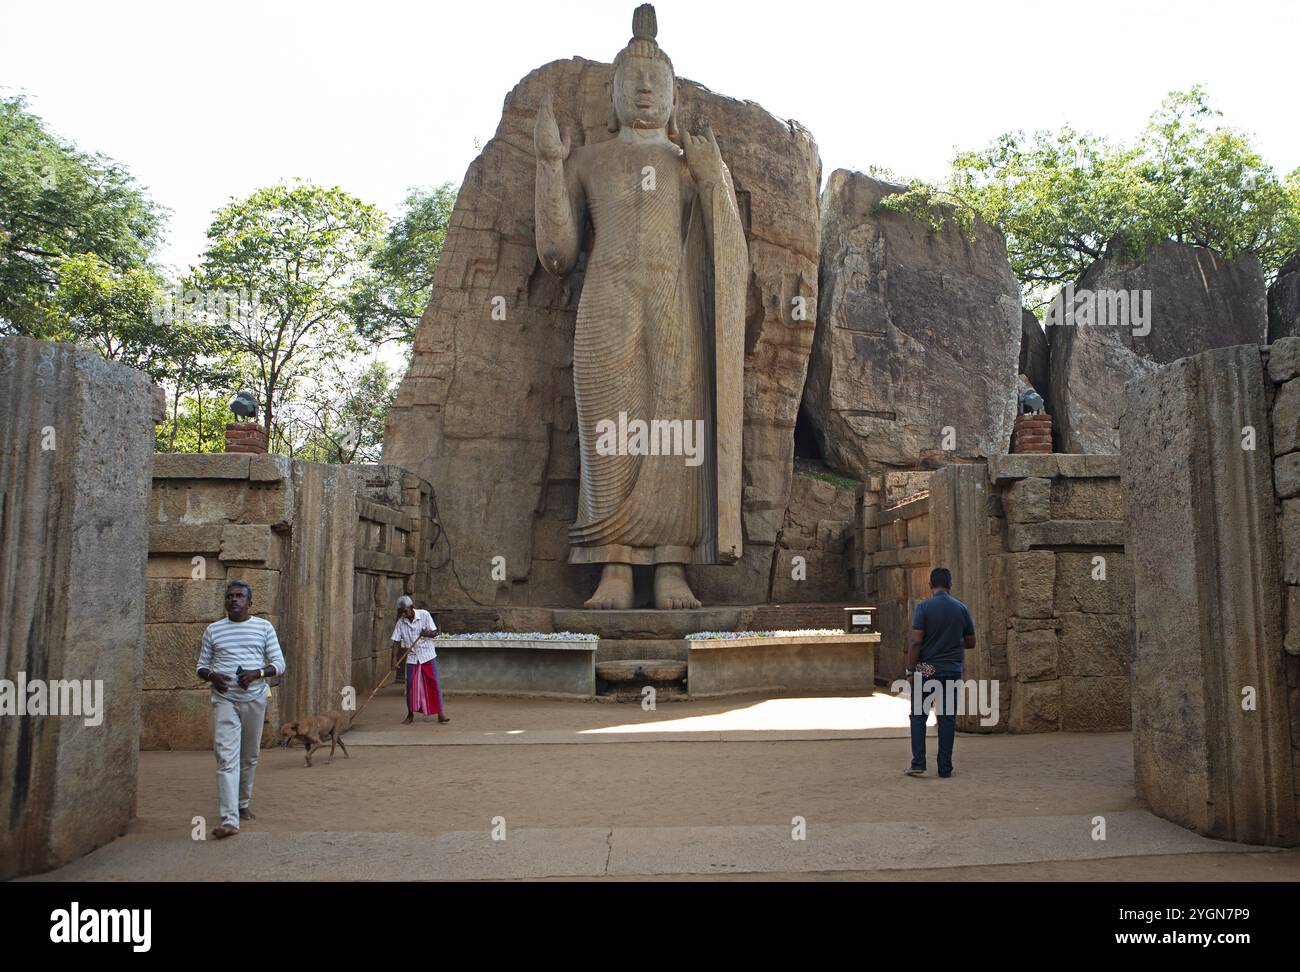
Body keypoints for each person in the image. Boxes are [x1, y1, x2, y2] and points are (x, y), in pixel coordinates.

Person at [196, 580, 286, 839]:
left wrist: (257, 673)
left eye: (239, 596)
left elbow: (279, 664)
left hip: (255, 699)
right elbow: (201, 666)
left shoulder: (263, 627)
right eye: (230, 596)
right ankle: (229, 819)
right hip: (225, 700)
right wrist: (212, 676)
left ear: (249, 603)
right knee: (226, 757)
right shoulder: (213, 630)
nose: (234, 599)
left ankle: (242, 802)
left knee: (249, 756)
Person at [904, 566, 975, 779]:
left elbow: (916, 641)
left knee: (918, 715)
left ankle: (918, 763)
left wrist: (910, 669)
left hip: (927, 667)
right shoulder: (961, 608)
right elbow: (971, 642)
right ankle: (945, 767)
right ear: (950, 585)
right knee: (947, 718)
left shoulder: (924, 607)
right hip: (951, 668)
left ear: (930, 585)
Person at [390, 595, 449, 725]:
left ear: (411, 607)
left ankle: (440, 714)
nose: (403, 614)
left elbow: (435, 632)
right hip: (412, 657)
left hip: (427, 655)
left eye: (405, 611)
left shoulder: (424, 615)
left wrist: (427, 634)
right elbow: (396, 642)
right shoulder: (401, 622)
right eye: (401, 612)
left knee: (433, 684)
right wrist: (394, 659)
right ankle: (410, 714)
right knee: (411, 687)